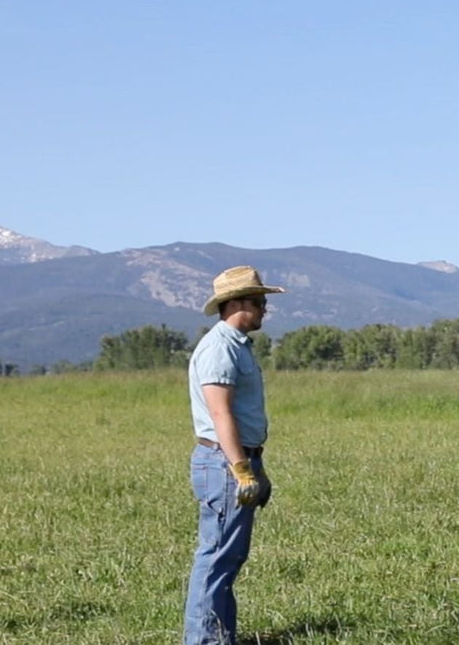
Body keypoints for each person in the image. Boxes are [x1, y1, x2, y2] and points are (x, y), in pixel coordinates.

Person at [183, 265, 285, 645]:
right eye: (258, 302)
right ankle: (204, 640)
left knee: (228, 558)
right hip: (223, 465)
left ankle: (220, 636)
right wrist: (241, 469)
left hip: (234, 461)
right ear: (236, 303)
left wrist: (257, 466)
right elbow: (220, 413)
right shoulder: (220, 348)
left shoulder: (236, 345)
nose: (264, 309)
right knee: (216, 559)